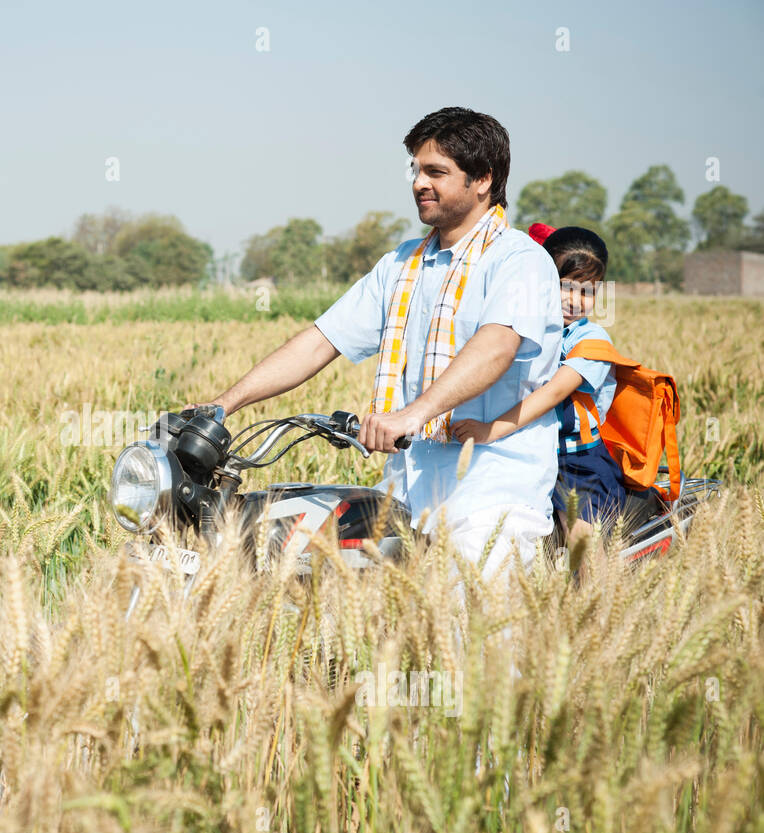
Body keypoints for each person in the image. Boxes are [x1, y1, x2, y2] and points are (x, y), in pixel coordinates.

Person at [196, 107, 562, 574]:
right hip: (405, 491)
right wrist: (223, 405)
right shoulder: (402, 264)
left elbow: (496, 347)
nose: (419, 183)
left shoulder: (519, 261)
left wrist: (414, 413)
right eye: (415, 170)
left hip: (489, 498)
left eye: (436, 172)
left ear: (483, 179)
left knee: (468, 634)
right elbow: (319, 340)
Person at [452, 225, 624, 549]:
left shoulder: (592, 341)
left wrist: (488, 430)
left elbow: (552, 393)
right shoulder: (530, 330)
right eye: (565, 288)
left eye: (587, 291)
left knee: (580, 543)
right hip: (528, 452)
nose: (575, 300)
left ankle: (594, 597)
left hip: (577, 464)